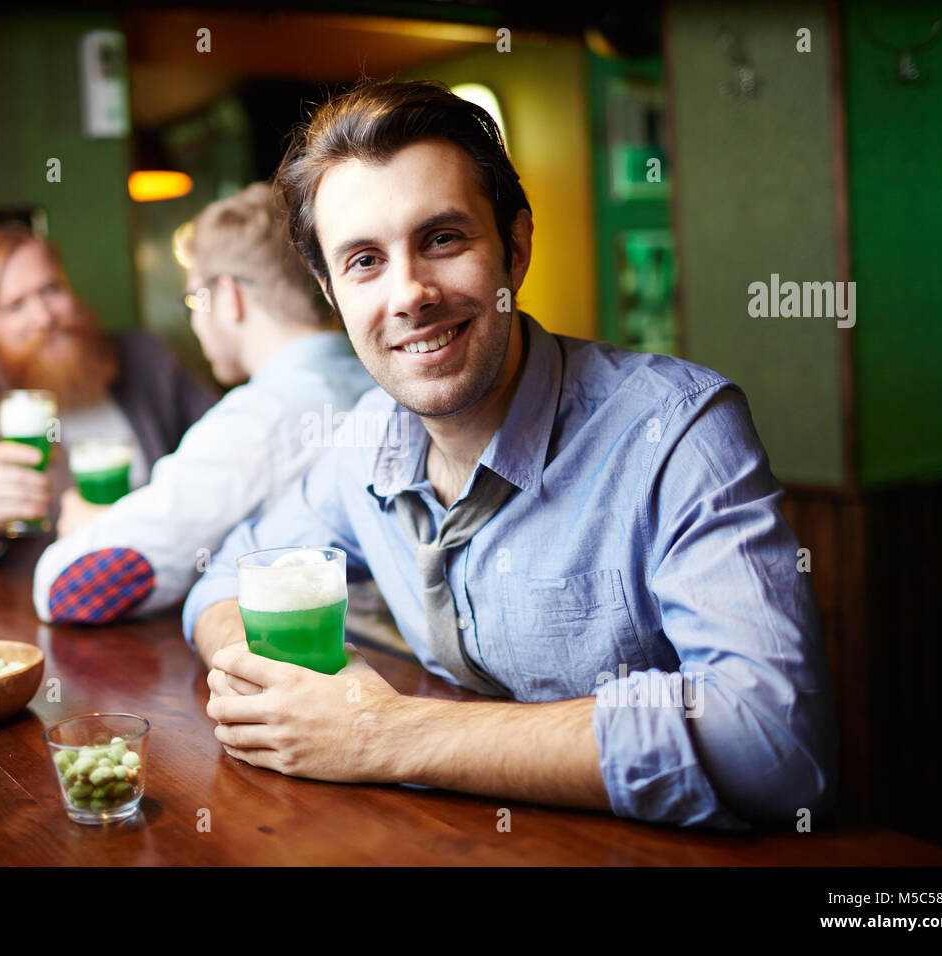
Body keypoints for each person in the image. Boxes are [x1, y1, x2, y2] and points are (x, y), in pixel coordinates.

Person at [183, 80, 837, 830]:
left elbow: (776, 748)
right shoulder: (369, 437)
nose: (410, 294)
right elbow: (229, 575)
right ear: (331, 294)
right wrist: (268, 684)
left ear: (516, 247)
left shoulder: (680, 432)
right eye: (364, 261)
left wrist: (378, 733)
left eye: (442, 239)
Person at [32, 183, 373, 622]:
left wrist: (88, 531)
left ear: (228, 298)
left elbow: (67, 589)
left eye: (194, 298)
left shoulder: (254, 422)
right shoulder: (383, 384)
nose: (195, 319)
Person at [0, 226, 217, 570]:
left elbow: (225, 436)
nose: (44, 318)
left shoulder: (145, 357)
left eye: (51, 290)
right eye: (15, 306)